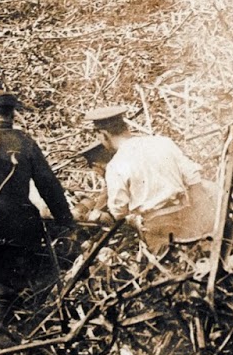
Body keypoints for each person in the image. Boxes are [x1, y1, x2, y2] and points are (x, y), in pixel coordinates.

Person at [0, 91, 71, 330]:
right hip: (18, 226)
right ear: (13, 113)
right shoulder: (26, 143)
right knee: (7, 280)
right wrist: (65, 219)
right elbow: (48, 185)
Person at [86, 104, 218, 252]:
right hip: (187, 216)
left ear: (103, 134)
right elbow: (193, 177)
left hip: (157, 228)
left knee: (168, 268)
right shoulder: (162, 142)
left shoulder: (116, 165)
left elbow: (118, 211)